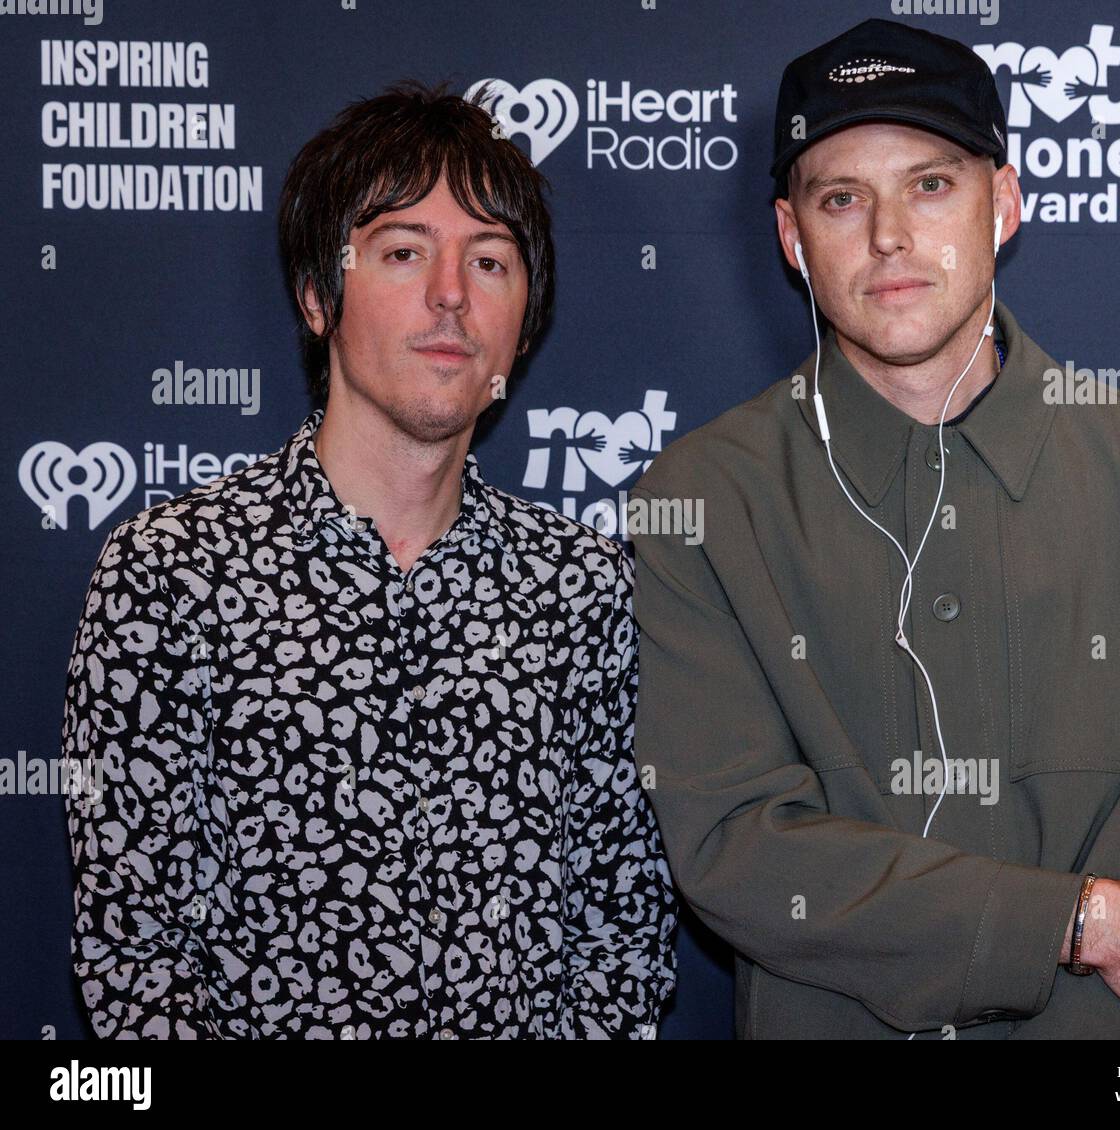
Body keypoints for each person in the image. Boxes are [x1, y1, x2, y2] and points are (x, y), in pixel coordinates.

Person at [629, 18, 1120, 1040]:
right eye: (841, 198)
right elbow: (738, 852)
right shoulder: (699, 497)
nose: (887, 235)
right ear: (791, 237)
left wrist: (1109, 931)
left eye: (928, 185)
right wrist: (1074, 921)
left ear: (1002, 205)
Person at [62, 80, 676, 1039]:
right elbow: (134, 951)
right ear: (319, 297)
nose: (451, 294)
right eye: (403, 252)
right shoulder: (171, 574)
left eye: (490, 260)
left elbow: (623, 935)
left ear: (523, 326)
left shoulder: (587, 589)